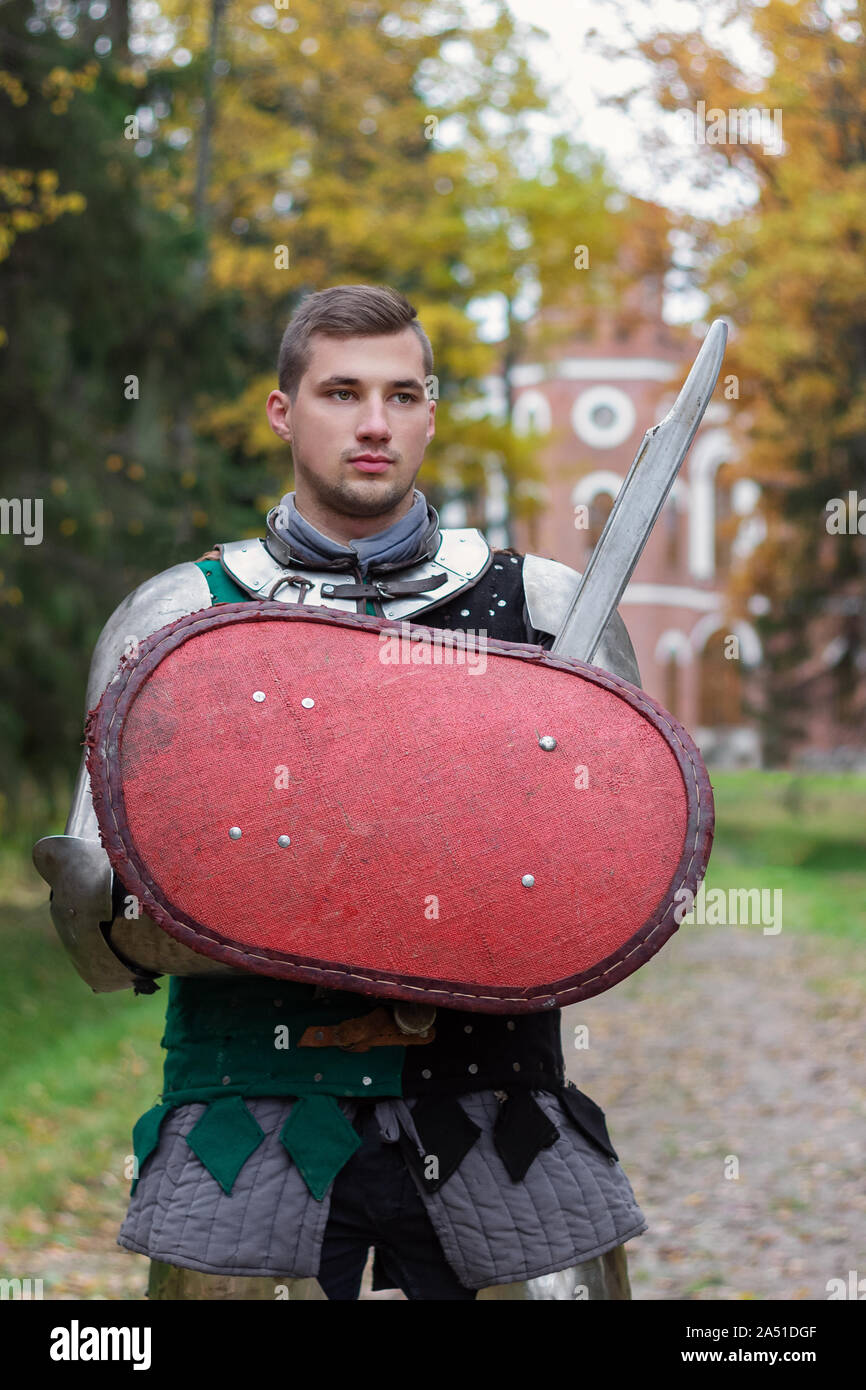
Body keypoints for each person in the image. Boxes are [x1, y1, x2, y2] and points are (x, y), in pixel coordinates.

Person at [34, 283, 647, 1300]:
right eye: (341, 392)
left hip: (494, 1104)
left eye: (401, 395)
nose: (374, 423)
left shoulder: (544, 613)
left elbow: (623, 886)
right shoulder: (181, 618)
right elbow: (98, 922)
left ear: (430, 410)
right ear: (284, 410)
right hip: (248, 1099)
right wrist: (370, 907)